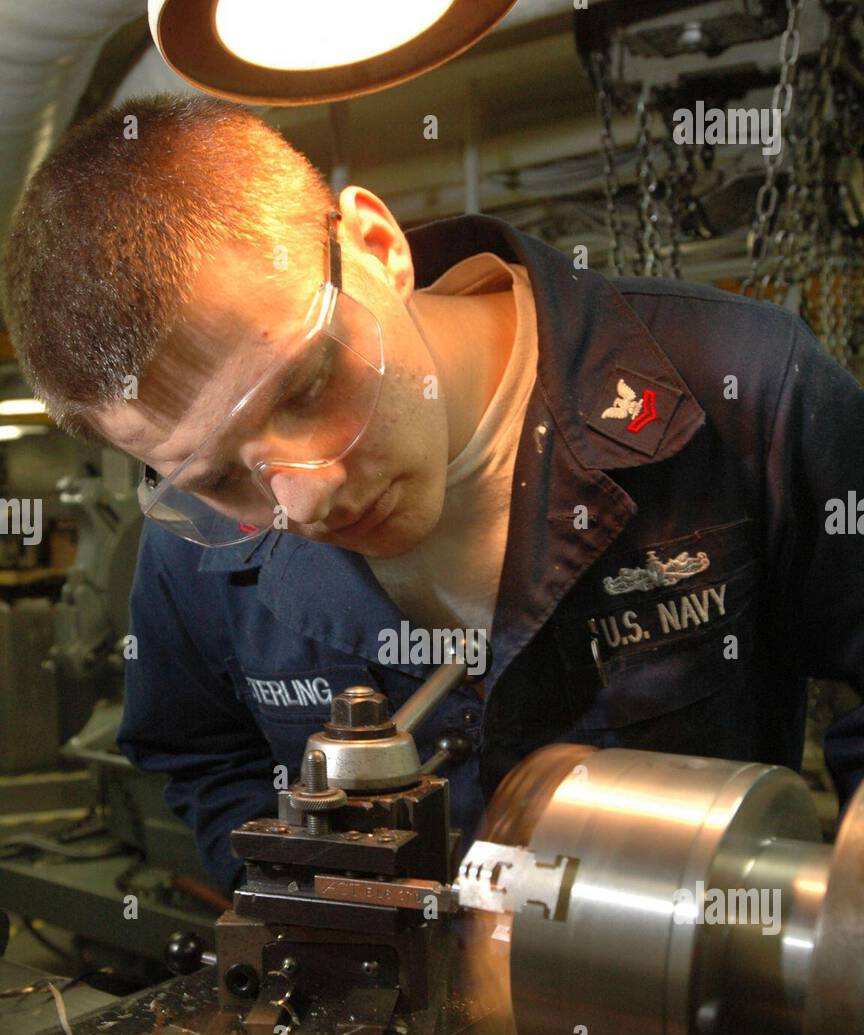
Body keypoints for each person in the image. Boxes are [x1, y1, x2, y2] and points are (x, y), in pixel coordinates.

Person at [3, 95, 864, 895]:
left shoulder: (743, 388)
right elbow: (195, 751)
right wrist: (322, 915)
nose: (303, 503)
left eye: (303, 389)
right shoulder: (194, 539)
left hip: (694, 1013)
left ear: (378, 246)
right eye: (219, 474)